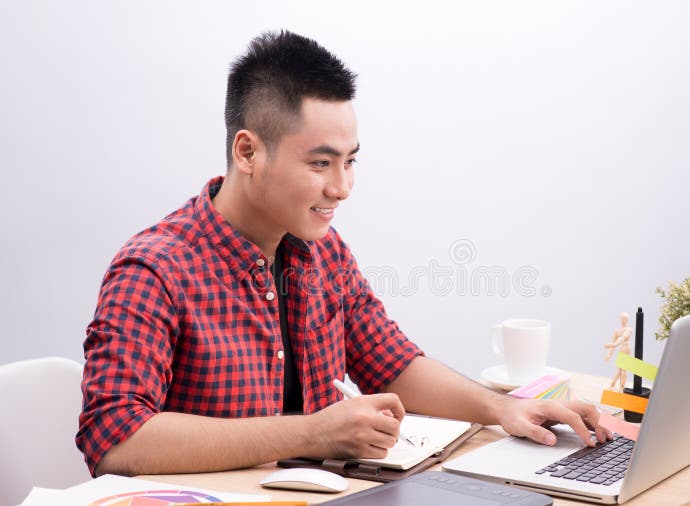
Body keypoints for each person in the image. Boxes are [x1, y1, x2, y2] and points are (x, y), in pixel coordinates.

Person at [76, 30, 611, 477]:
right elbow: (115, 440)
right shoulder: (153, 269)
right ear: (248, 152)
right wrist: (312, 431)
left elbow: (391, 363)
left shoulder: (322, 252)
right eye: (320, 164)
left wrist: (505, 408)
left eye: (351, 161)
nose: (343, 187)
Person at [603, 312, 632, 390]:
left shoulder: (628, 329)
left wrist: (613, 345)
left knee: (623, 369)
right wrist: (609, 354)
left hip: (626, 349)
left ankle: (621, 387)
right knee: (620, 368)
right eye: (622, 318)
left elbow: (622, 338)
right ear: (620, 319)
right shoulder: (617, 331)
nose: (623, 320)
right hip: (621, 349)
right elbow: (613, 341)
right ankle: (613, 384)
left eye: (625, 319)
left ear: (627, 320)